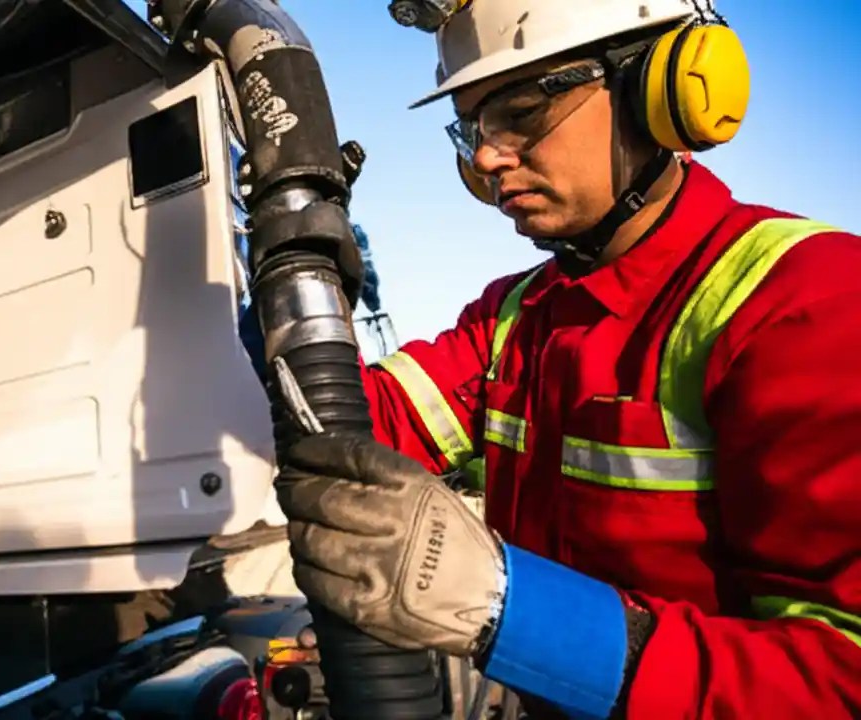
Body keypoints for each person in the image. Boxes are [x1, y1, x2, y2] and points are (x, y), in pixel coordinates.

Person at [269, 1, 861, 719]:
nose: (486, 158)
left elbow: (840, 679)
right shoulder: (515, 316)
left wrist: (506, 611)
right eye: (474, 129)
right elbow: (356, 424)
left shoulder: (809, 301)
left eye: (521, 109)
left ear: (660, 92)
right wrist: (293, 284)